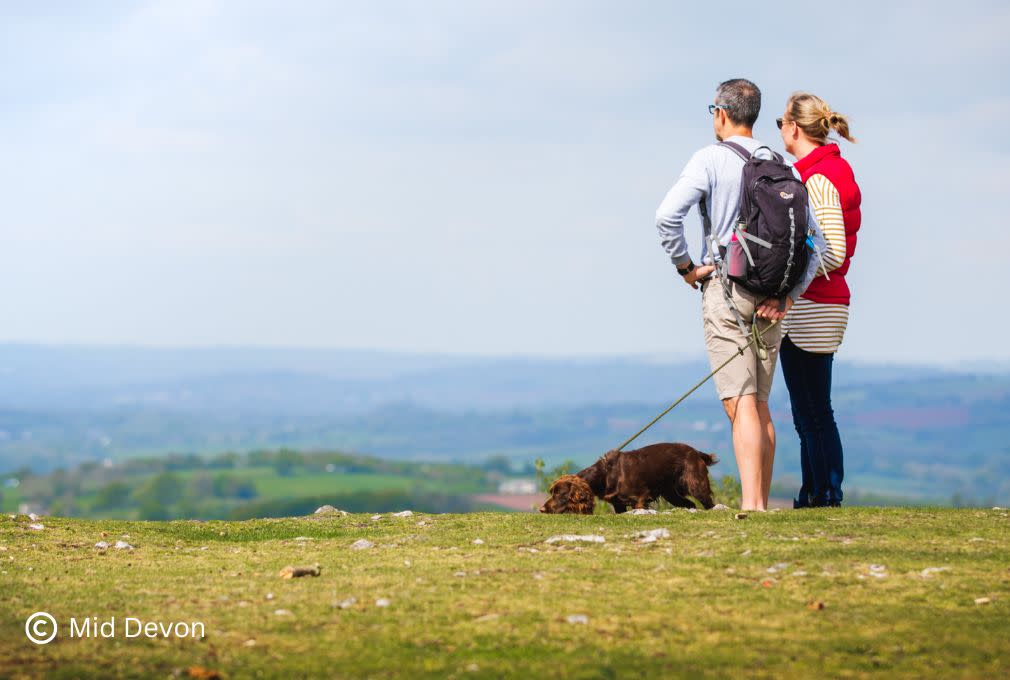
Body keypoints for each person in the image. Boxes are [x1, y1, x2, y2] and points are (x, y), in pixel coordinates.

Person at [655, 79, 824, 511]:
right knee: (762, 404)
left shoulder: (709, 160)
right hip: (772, 297)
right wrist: (788, 297)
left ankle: (753, 506)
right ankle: (761, 500)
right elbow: (815, 244)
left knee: (740, 403)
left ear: (722, 114)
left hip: (727, 290)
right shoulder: (781, 163)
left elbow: (666, 216)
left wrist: (686, 267)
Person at [776, 92, 862, 508]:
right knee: (809, 412)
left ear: (794, 127)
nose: (780, 131)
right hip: (821, 304)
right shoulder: (826, 170)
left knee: (813, 412)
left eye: (781, 122)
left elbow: (832, 251)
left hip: (814, 306)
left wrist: (790, 288)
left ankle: (825, 492)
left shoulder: (820, 177)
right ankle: (814, 492)